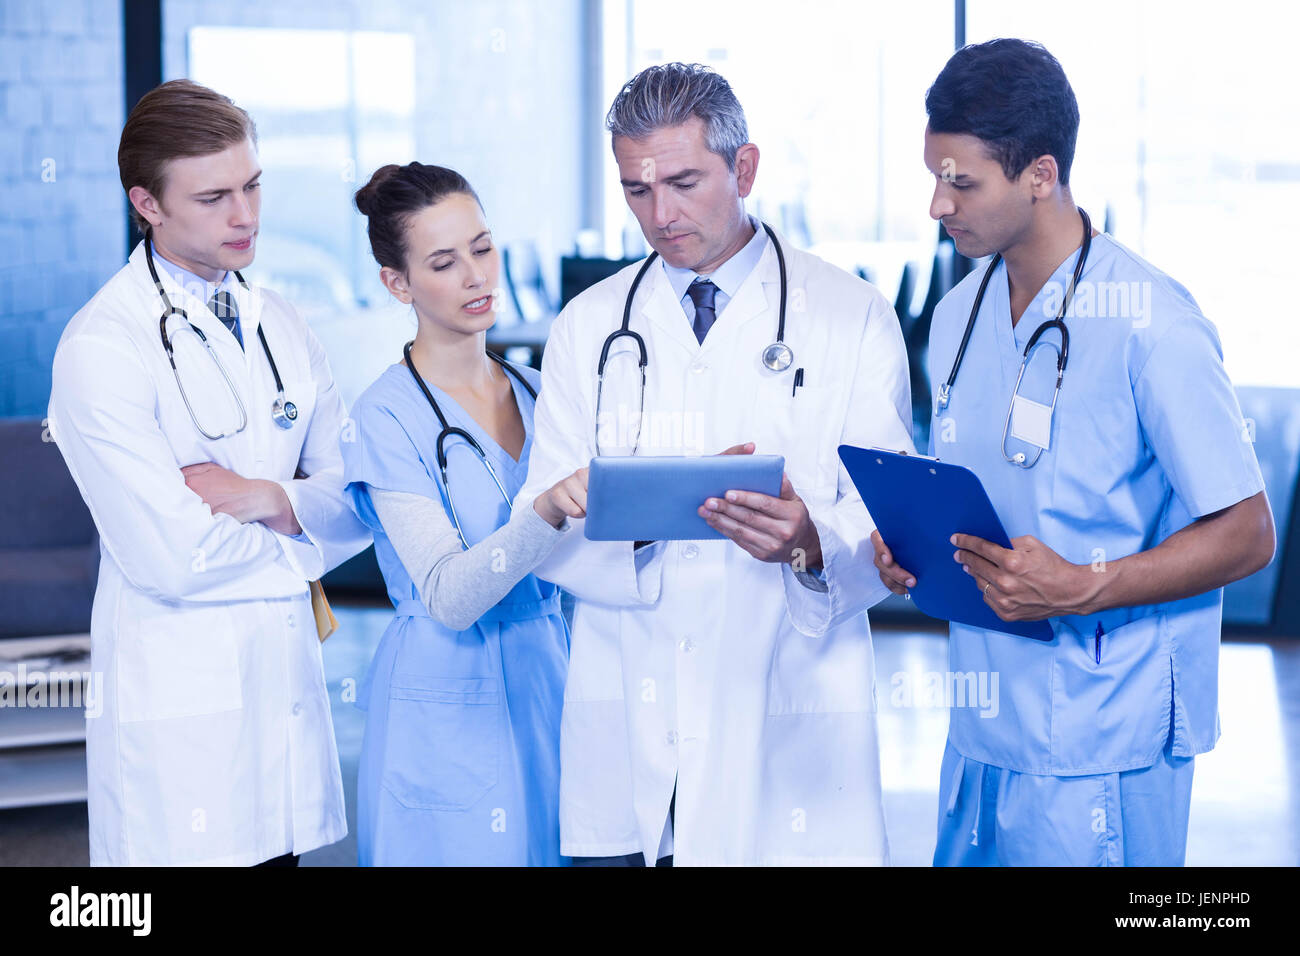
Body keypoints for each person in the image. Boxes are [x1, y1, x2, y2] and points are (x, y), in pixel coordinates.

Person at [872, 39, 1276, 866]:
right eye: (933, 176)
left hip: (1105, 728)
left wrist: (1084, 586)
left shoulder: (1151, 323)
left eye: (961, 182)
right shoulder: (955, 318)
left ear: (1041, 175)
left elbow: (1248, 531)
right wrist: (909, 546)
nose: (937, 206)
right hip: (984, 723)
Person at [513, 63, 915, 866]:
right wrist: (637, 520)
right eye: (636, 190)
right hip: (628, 713)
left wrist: (808, 543)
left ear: (745, 168)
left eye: (686, 182)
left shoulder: (851, 315)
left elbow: (886, 523)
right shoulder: (590, 327)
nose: (660, 215)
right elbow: (541, 520)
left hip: (789, 721)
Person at [47, 79, 371, 866]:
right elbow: (174, 558)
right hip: (183, 726)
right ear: (147, 204)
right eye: (215, 196)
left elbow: (358, 503)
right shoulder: (104, 345)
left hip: (284, 706)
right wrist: (303, 530)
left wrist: (265, 498)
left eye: (254, 184)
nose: (246, 215)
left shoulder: (284, 325)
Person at [341, 163, 587, 866]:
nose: (477, 276)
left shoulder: (544, 395)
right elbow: (448, 597)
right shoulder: (386, 417)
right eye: (445, 263)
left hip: (550, 680)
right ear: (398, 283)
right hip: (441, 699)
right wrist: (542, 510)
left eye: (483, 247)